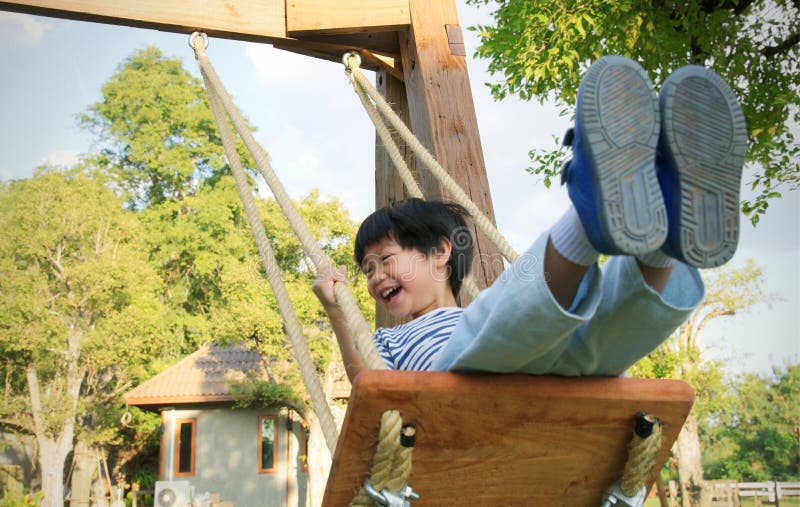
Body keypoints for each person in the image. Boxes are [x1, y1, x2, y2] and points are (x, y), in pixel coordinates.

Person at [312, 55, 747, 383]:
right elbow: (369, 386)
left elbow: (500, 325)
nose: (374, 277)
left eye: (385, 259)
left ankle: (659, 242)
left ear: (440, 252)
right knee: (536, 334)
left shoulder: (478, 318)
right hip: (453, 402)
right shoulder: (385, 342)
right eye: (368, 269)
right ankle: (592, 222)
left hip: (520, 385)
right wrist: (338, 311)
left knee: (580, 339)